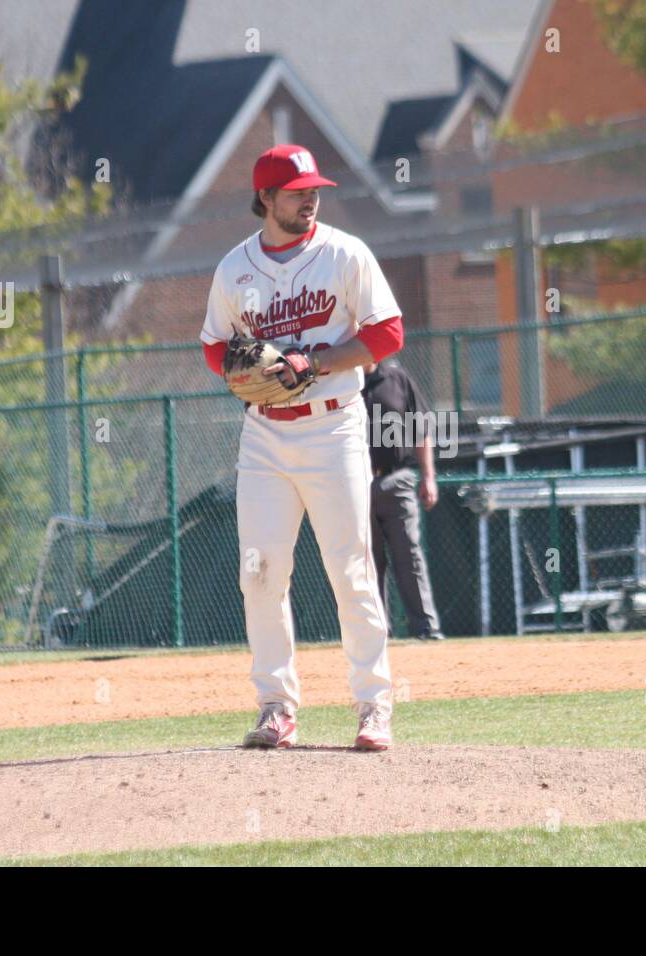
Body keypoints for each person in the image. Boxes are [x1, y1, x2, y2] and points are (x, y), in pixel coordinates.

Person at [199, 144, 404, 751]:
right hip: (264, 433)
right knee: (260, 573)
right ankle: (276, 708)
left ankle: (374, 706)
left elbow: (386, 334)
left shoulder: (344, 253)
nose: (311, 197)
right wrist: (239, 367)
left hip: (333, 425)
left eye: (315, 189)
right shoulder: (235, 269)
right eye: (297, 191)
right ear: (265, 198)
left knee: (351, 569)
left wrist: (313, 361)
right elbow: (214, 345)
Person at [361, 361, 445, 641]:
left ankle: (426, 628)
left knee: (409, 554)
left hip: (397, 480)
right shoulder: (340, 382)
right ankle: (376, 632)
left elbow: (421, 430)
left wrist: (429, 477)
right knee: (367, 560)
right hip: (354, 485)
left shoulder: (397, 378)